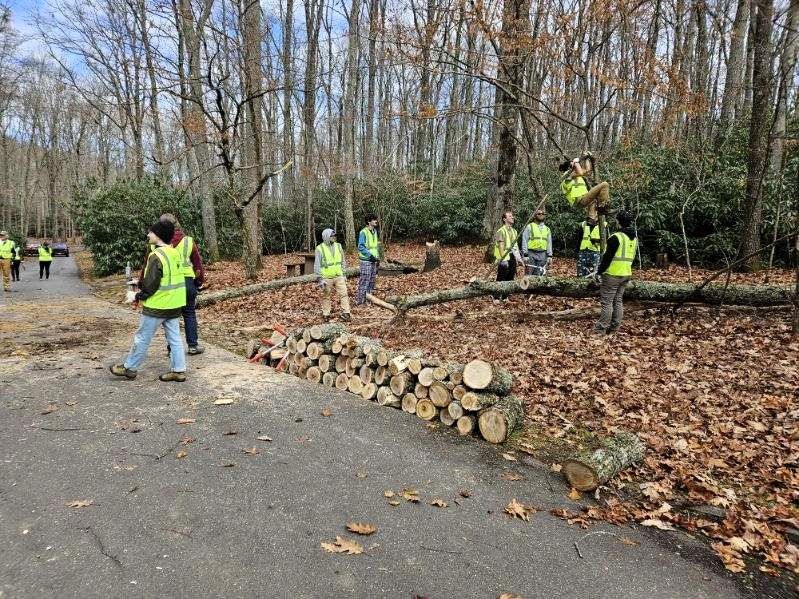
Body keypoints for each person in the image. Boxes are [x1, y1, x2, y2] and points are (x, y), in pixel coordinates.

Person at [110, 220, 187, 382]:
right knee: (175, 339)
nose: (148, 234)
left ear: (158, 236)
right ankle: (179, 370)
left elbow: (152, 284)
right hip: (174, 305)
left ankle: (130, 368)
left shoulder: (156, 255)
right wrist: (139, 284)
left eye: (151, 232)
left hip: (157, 306)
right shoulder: (175, 253)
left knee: (142, 337)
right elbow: (168, 279)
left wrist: (137, 295)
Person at [158, 213, 205, 355]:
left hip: (168, 284)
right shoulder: (188, 241)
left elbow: (149, 266)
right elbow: (197, 265)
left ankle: (172, 348)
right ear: (177, 224)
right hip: (187, 282)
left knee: (171, 317)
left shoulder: (158, 243)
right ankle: (192, 346)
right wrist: (198, 282)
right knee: (189, 313)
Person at [594, 210, 637, 335]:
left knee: (607, 302)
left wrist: (599, 272)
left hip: (613, 274)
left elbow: (607, 258)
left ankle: (601, 329)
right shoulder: (633, 238)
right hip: (626, 273)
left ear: (618, 221)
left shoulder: (615, 237)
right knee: (618, 300)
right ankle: (614, 328)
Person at [559, 153, 610, 220]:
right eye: (574, 165)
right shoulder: (567, 175)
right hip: (580, 200)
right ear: (569, 167)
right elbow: (580, 172)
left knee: (593, 201)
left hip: (582, 199)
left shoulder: (574, 175)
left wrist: (587, 158)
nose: (576, 166)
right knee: (604, 184)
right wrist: (576, 162)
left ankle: (591, 218)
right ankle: (602, 208)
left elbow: (588, 170)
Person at [314, 228, 351, 322]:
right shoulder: (320, 248)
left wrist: (344, 274)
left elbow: (343, 261)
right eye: (332, 236)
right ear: (326, 237)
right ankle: (326, 314)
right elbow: (317, 264)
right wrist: (319, 278)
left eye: (335, 236)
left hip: (339, 275)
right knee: (326, 296)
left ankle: (346, 313)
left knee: (344, 294)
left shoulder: (338, 246)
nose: (334, 237)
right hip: (326, 277)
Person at [493, 211, 523, 301]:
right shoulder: (500, 231)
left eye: (512, 216)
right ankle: (496, 296)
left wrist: (519, 259)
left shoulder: (514, 231)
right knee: (501, 277)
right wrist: (503, 259)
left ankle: (505, 296)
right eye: (510, 216)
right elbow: (501, 246)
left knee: (510, 276)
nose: (512, 217)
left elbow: (515, 247)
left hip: (512, 256)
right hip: (503, 257)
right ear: (504, 219)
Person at [355, 214, 381, 305]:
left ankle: (369, 299)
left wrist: (377, 258)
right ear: (369, 222)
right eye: (374, 220)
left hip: (374, 260)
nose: (375, 221)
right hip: (366, 260)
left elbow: (375, 246)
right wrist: (370, 256)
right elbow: (361, 247)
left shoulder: (375, 231)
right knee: (364, 280)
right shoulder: (363, 232)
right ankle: (360, 301)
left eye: (375, 219)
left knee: (372, 281)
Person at [521, 209, 552, 276]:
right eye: (539, 214)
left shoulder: (547, 229)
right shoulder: (529, 226)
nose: (541, 215)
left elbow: (549, 243)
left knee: (539, 274)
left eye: (542, 214)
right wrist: (525, 254)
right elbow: (524, 240)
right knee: (529, 273)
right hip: (531, 253)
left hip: (543, 254)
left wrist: (550, 255)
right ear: (534, 216)